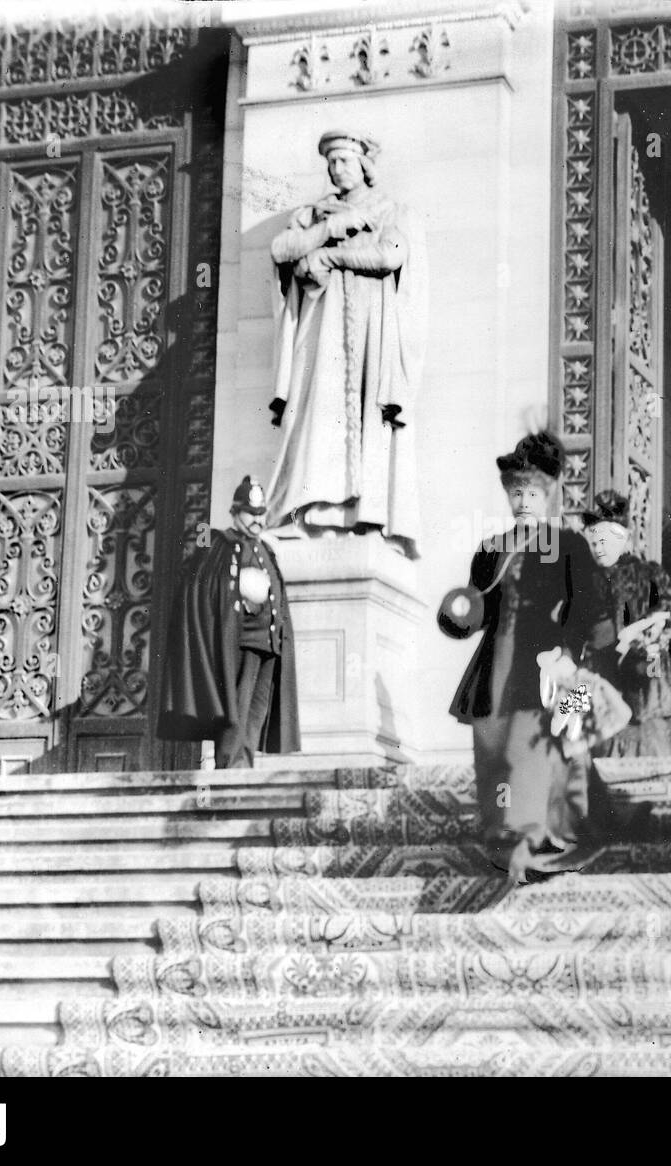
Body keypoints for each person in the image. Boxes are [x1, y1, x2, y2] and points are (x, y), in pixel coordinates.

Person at [440, 432, 615, 882]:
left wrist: (569, 655)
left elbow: (589, 608)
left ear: (550, 495)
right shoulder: (491, 550)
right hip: (493, 668)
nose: (523, 501)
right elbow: (479, 606)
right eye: (516, 492)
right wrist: (460, 613)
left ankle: (529, 839)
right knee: (492, 751)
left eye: (533, 492)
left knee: (532, 750)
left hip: (546, 669)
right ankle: (505, 838)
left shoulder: (570, 546)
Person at [264, 130, 428, 553]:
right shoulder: (313, 216)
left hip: (371, 330)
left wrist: (332, 256)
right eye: (331, 162)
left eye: (345, 161)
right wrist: (331, 230)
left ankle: (367, 517)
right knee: (319, 415)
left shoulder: (388, 210)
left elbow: (389, 255)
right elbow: (282, 249)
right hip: (323, 330)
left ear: (364, 165)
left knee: (365, 418)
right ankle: (312, 512)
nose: (337, 169)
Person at [157, 476, 300, 768]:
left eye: (261, 514)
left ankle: (242, 769)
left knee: (255, 714)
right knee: (236, 711)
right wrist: (235, 588)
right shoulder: (218, 542)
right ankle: (230, 772)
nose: (258, 520)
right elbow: (196, 575)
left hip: (268, 644)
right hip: (240, 643)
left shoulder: (266, 550)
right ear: (235, 512)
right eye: (251, 513)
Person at [580, 490, 671, 757]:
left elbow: (667, 611)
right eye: (593, 542)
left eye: (604, 541)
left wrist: (641, 636)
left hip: (642, 679)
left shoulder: (648, 574)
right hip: (598, 675)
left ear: (623, 540)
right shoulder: (586, 582)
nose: (598, 548)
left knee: (646, 744)